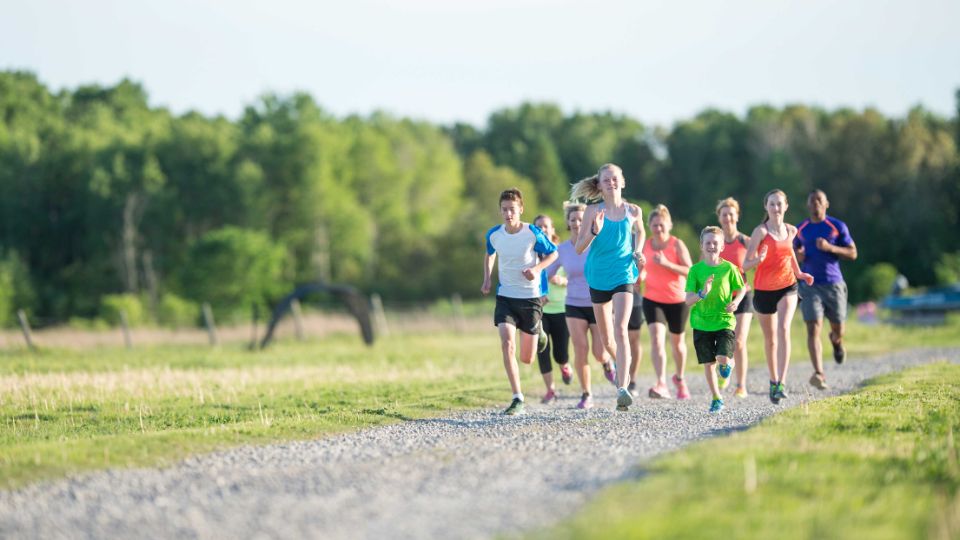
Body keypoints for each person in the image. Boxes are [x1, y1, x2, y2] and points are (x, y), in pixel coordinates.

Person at [571, 163, 645, 411]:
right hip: (598, 277)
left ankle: (622, 389)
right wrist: (594, 231)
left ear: (622, 182)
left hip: (624, 274)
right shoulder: (593, 211)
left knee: (621, 329)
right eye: (606, 180)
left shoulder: (634, 210)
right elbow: (579, 247)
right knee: (606, 339)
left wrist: (638, 251)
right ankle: (617, 367)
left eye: (615, 179)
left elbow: (641, 233)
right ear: (600, 185)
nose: (611, 183)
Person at [481, 188, 558, 415]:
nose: (508, 214)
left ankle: (539, 333)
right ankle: (517, 397)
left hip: (530, 298)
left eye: (512, 210)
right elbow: (489, 253)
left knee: (527, 358)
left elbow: (553, 253)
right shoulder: (494, 234)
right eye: (504, 210)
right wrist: (487, 278)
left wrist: (536, 269)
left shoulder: (532, 232)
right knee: (507, 343)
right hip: (506, 297)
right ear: (500, 211)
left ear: (521, 209)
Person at [743, 189, 814, 404]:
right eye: (772, 204)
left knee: (784, 329)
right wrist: (759, 259)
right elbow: (746, 264)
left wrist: (799, 273)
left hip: (787, 286)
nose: (776, 208)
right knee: (771, 339)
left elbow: (790, 253)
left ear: (786, 206)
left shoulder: (791, 230)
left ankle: (781, 382)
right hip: (764, 290)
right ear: (766, 207)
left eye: (779, 204)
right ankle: (773, 381)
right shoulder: (761, 232)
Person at [549, 203, 617, 410]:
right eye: (573, 220)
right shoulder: (562, 249)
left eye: (581, 219)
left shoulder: (596, 244)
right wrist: (554, 280)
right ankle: (586, 394)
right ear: (568, 224)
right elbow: (548, 272)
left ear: (587, 221)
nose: (577, 223)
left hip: (597, 302)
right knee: (580, 349)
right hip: (573, 304)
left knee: (599, 351)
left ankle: (607, 364)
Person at [794, 189, 857, 390]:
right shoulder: (801, 229)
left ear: (826, 204)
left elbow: (853, 253)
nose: (816, 204)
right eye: (812, 201)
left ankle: (836, 342)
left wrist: (831, 248)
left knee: (838, 328)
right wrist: (798, 256)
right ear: (808, 205)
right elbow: (792, 253)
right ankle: (819, 373)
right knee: (813, 327)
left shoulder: (837, 226)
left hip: (834, 284)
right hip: (810, 285)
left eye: (819, 201)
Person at [685, 226, 748, 413]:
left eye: (715, 243)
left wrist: (736, 302)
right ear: (702, 246)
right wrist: (702, 293)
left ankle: (727, 363)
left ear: (721, 247)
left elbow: (742, 288)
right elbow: (688, 300)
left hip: (724, 320)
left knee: (721, 357)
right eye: (708, 243)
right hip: (701, 322)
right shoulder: (695, 270)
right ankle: (716, 398)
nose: (711, 246)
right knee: (708, 364)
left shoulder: (729, 268)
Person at [641, 204, 693, 400]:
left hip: (677, 300)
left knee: (678, 344)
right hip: (652, 299)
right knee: (656, 338)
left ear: (669, 225)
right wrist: (640, 277)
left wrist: (667, 264)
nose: (658, 229)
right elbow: (642, 269)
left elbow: (690, 270)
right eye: (654, 225)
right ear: (649, 226)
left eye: (661, 225)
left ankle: (679, 378)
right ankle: (661, 382)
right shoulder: (645, 246)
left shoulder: (676, 244)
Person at [716, 197, 754, 398]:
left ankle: (741, 386)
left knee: (739, 341)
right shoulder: (715, 242)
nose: (728, 218)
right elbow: (703, 267)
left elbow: (755, 265)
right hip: (720, 298)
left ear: (737, 216)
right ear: (719, 218)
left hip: (743, 295)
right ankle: (726, 366)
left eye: (731, 214)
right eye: (724, 214)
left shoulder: (746, 241)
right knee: (723, 341)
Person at [534, 214, 573, 403]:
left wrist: (561, 280)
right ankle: (550, 390)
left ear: (552, 230)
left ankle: (565, 365)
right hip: (539, 311)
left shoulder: (562, 251)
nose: (542, 229)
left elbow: (576, 277)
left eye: (545, 226)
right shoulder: (530, 254)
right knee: (541, 350)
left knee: (560, 353)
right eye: (538, 227)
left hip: (562, 309)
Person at [626, 272, 645, 397]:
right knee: (611, 339)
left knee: (633, 340)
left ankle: (632, 380)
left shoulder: (638, 251)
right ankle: (617, 369)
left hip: (634, 299)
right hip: (609, 297)